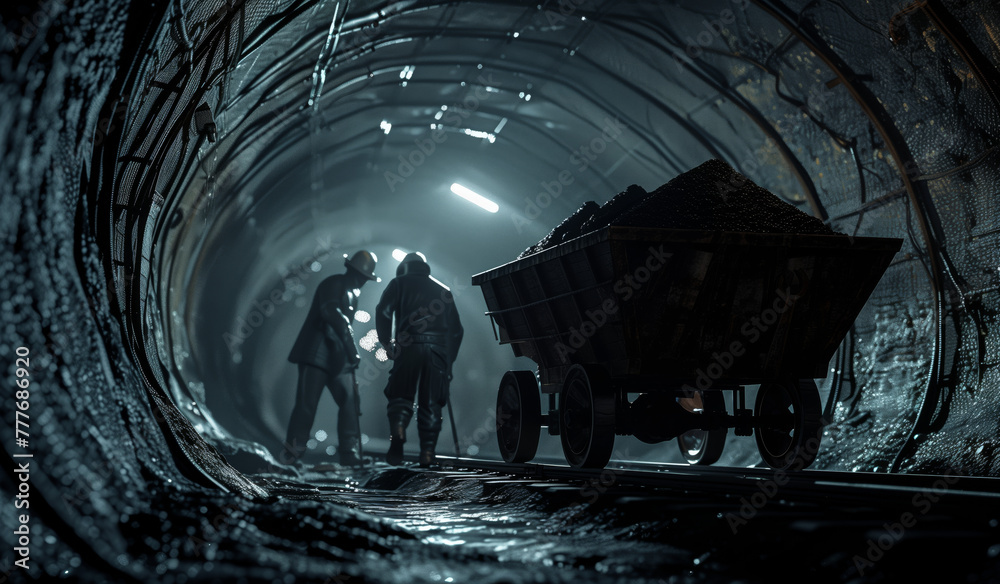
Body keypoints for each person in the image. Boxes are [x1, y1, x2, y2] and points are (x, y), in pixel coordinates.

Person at [283, 250, 379, 467]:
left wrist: (347, 352)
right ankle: (292, 455)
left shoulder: (354, 291)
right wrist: (352, 350)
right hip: (316, 352)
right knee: (307, 404)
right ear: (356, 273)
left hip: (337, 358)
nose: (364, 281)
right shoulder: (334, 284)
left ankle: (349, 453)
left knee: (350, 401)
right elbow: (332, 315)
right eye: (364, 277)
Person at [376, 252, 463, 467]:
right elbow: (457, 331)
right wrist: (448, 363)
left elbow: (383, 312)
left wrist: (387, 344)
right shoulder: (444, 291)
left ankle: (398, 431)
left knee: (400, 395)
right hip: (437, 351)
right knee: (432, 402)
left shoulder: (398, 284)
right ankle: (427, 453)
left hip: (408, 346)